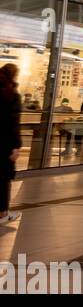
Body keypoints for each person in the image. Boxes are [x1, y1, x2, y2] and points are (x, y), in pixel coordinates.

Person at [1, 64, 21, 222]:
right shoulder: (12, 95)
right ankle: (3, 213)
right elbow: (13, 123)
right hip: (4, 143)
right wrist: (16, 146)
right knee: (3, 178)